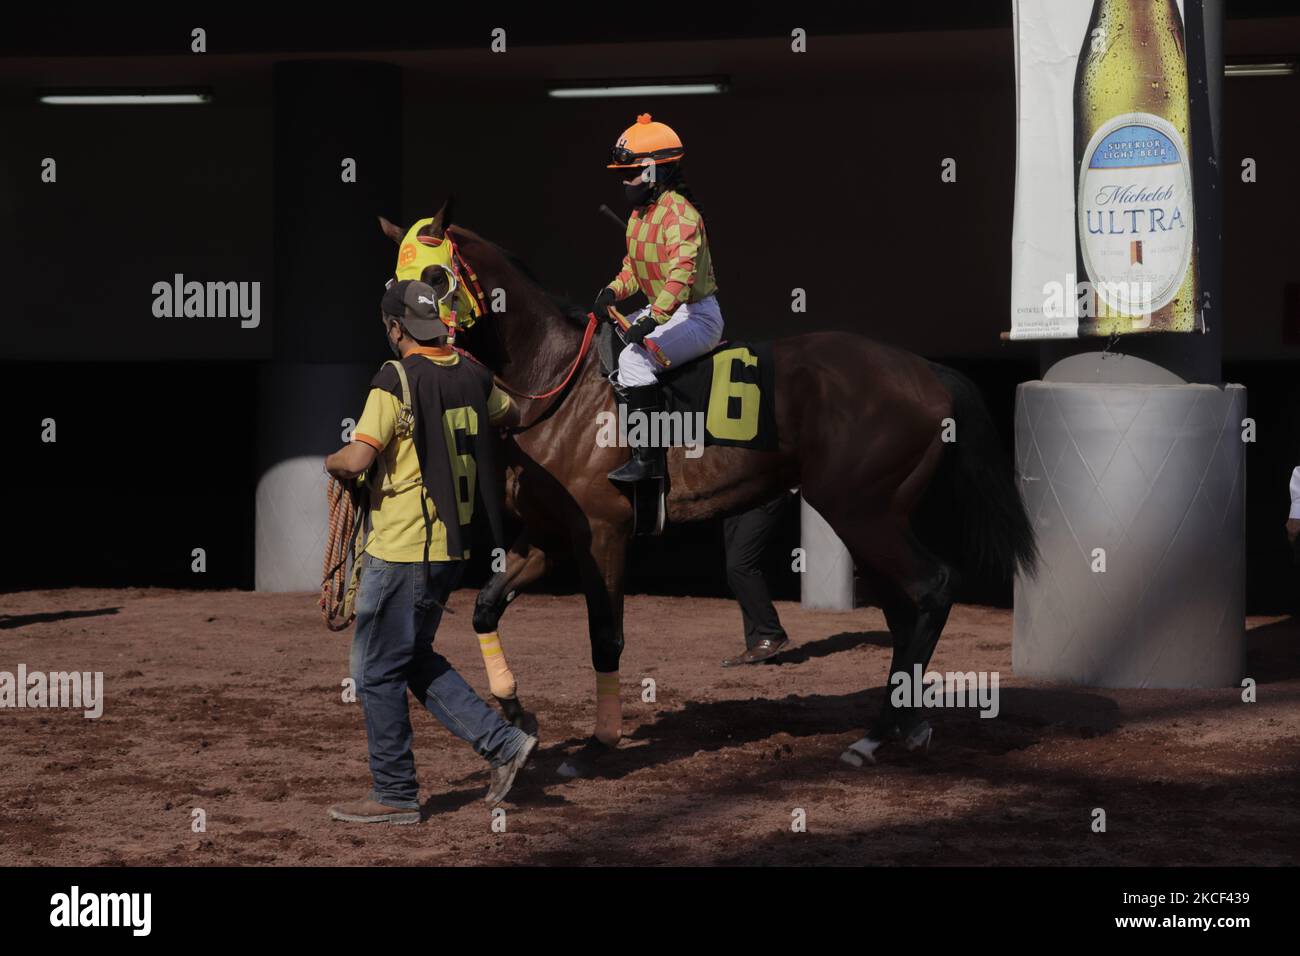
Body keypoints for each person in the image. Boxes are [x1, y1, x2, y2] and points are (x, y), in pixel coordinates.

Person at [324, 279, 535, 824]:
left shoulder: (394, 379)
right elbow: (508, 412)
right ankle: (503, 745)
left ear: (397, 329)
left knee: (374, 671)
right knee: (409, 656)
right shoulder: (472, 372)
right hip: (449, 547)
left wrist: (331, 463)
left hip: (404, 547)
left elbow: (356, 458)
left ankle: (394, 793)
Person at [596, 113, 721, 483]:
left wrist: (653, 319)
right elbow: (633, 270)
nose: (625, 181)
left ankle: (648, 461)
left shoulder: (682, 216)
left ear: (654, 172)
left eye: (631, 173)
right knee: (606, 343)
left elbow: (680, 278)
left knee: (634, 361)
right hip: (665, 310)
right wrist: (611, 291)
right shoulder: (639, 215)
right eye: (623, 175)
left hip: (696, 316)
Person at [721, 492, 796, 666]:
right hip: (734, 495)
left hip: (766, 491)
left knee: (739, 566)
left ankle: (771, 633)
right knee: (736, 573)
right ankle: (758, 647)